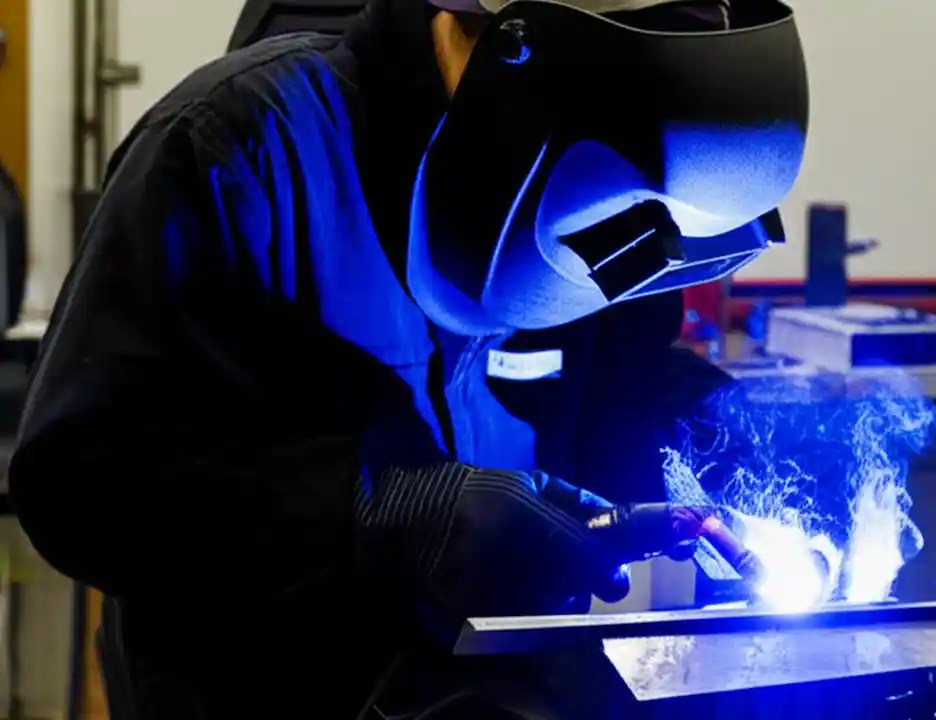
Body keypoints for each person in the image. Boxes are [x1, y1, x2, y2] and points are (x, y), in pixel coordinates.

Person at [9, 0, 806, 717]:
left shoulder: (618, 159)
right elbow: (83, 484)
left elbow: (619, 388)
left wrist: (723, 442)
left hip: (509, 699)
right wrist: (380, 512)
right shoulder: (237, 146)